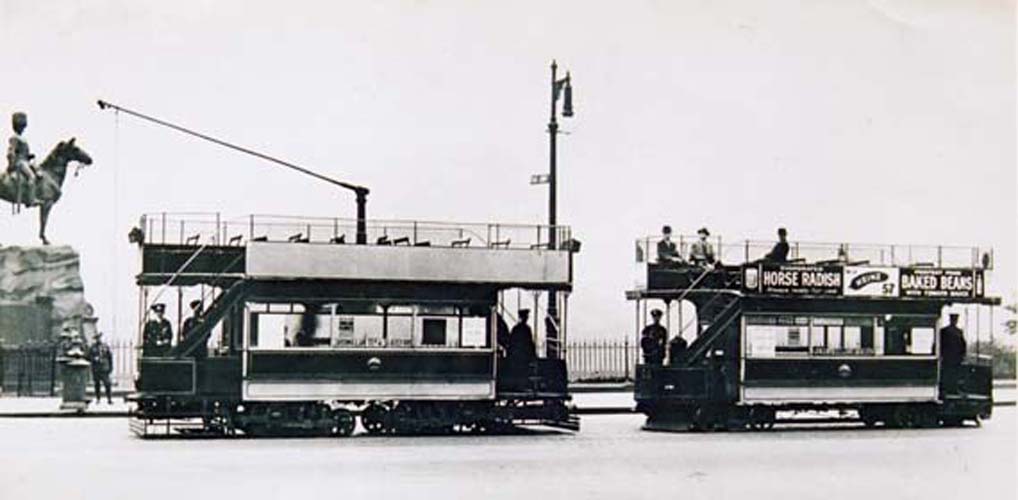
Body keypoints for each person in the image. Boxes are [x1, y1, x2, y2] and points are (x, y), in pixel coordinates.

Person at [6, 112, 40, 207]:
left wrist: (29, 156)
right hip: (19, 162)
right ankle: (31, 200)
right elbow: (11, 152)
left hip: (25, 161)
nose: (23, 129)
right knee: (31, 177)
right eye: (21, 127)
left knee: (38, 171)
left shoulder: (22, 138)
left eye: (23, 127)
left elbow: (23, 152)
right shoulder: (14, 138)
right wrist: (11, 164)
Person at [87, 332, 114, 404]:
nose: (98, 340)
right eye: (97, 338)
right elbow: (88, 357)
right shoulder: (92, 347)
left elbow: (110, 357)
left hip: (104, 369)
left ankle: (109, 399)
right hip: (96, 369)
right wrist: (94, 359)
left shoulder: (105, 346)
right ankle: (98, 398)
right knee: (97, 384)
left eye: (99, 338)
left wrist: (111, 367)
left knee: (107, 384)